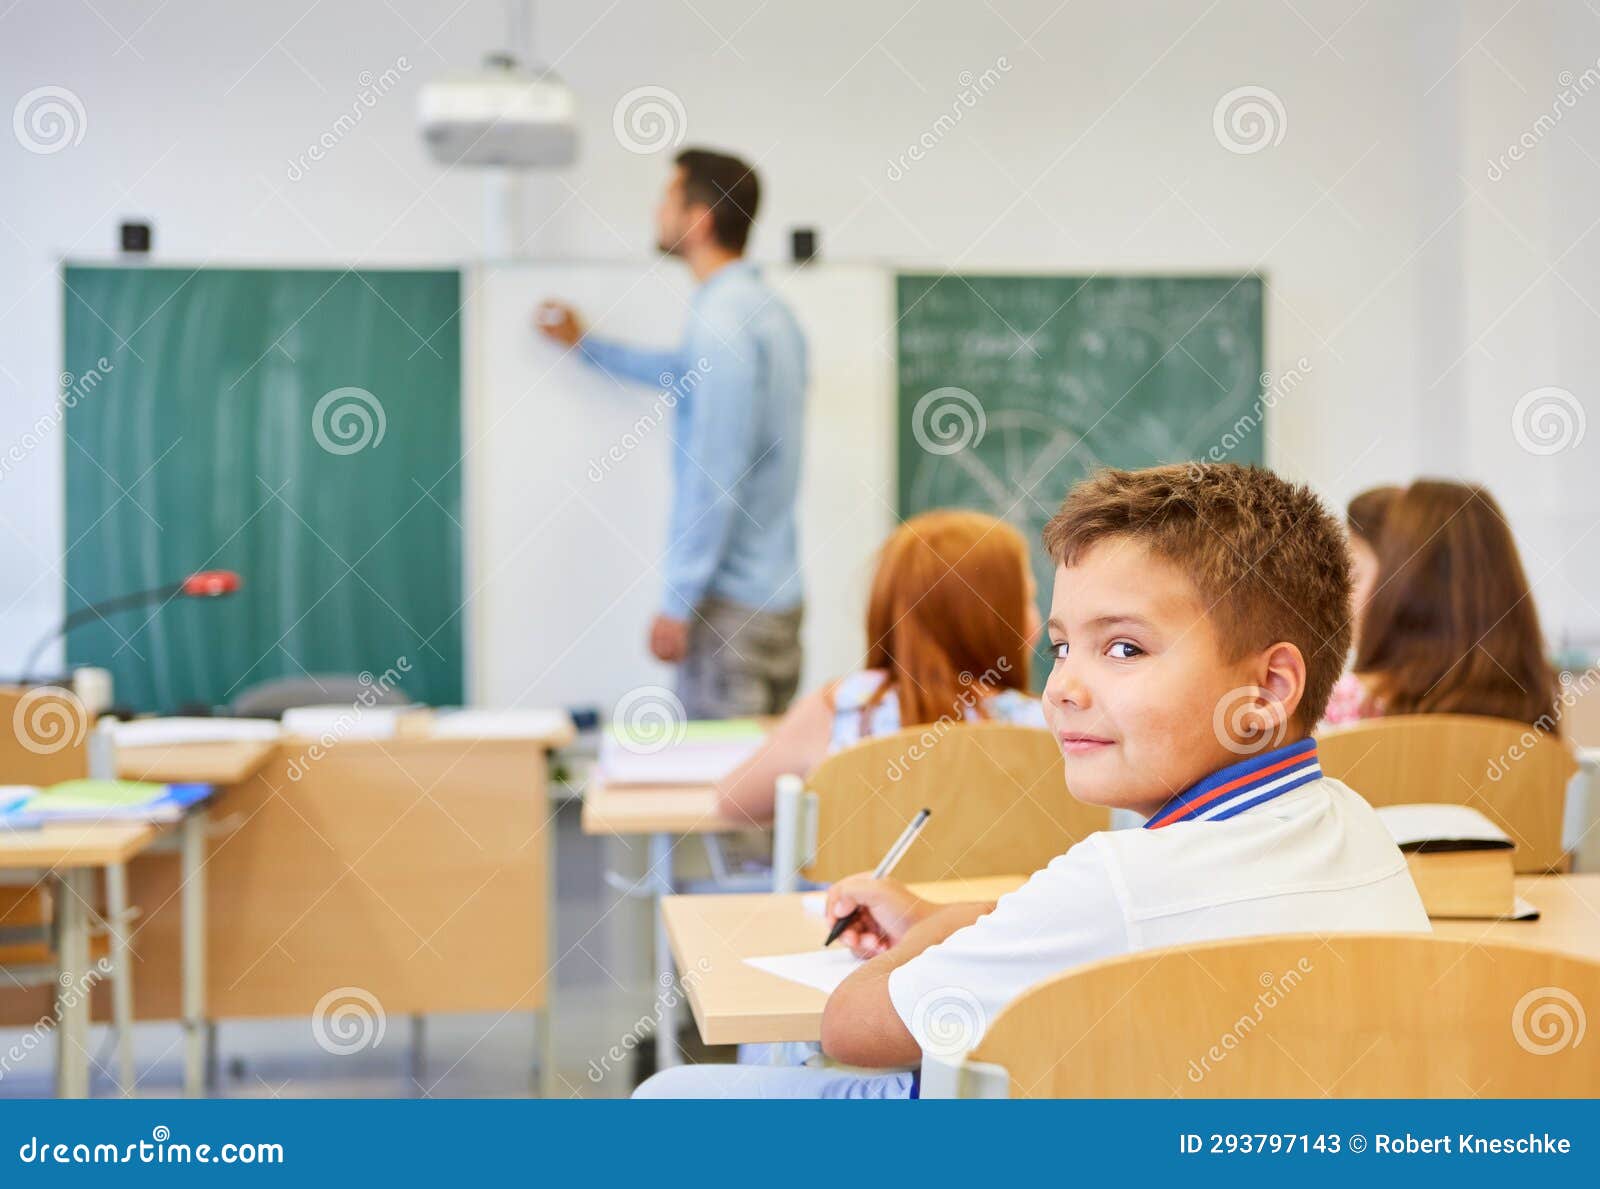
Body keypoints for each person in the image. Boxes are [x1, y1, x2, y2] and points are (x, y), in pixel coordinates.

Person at [635, 463, 1428, 1098]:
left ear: (1269, 688)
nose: (1061, 689)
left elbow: (850, 1025)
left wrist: (940, 938)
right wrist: (960, 919)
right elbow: (1118, 927)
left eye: (1122, 648)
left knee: (673, 1097)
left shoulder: (1117, 881)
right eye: (1060, 648)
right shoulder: (1359, 826)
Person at [536, 148, 807, 719]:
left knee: (723, 803)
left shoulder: (720, 321)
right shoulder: (769, 314)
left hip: (731, 613)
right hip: (777, 602)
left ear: (699, 219)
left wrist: (677, 600)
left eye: (669, 197)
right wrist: (588, 347)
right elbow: (686, 377)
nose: (657, 210)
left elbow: (715, 473)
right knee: (763, 798)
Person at [715, 509, 1044, 823]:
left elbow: (733, 801)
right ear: (988, 620)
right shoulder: (1044, 727)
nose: (1039, 620)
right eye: (1027, 601)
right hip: (999, 885)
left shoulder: (840, 708)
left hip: (853, 884)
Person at [1323, 480, 1558, 728]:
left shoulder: (1339, 707)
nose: (1340, 596)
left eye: (1353, 575)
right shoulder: (1539, 707)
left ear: (1403, 591)